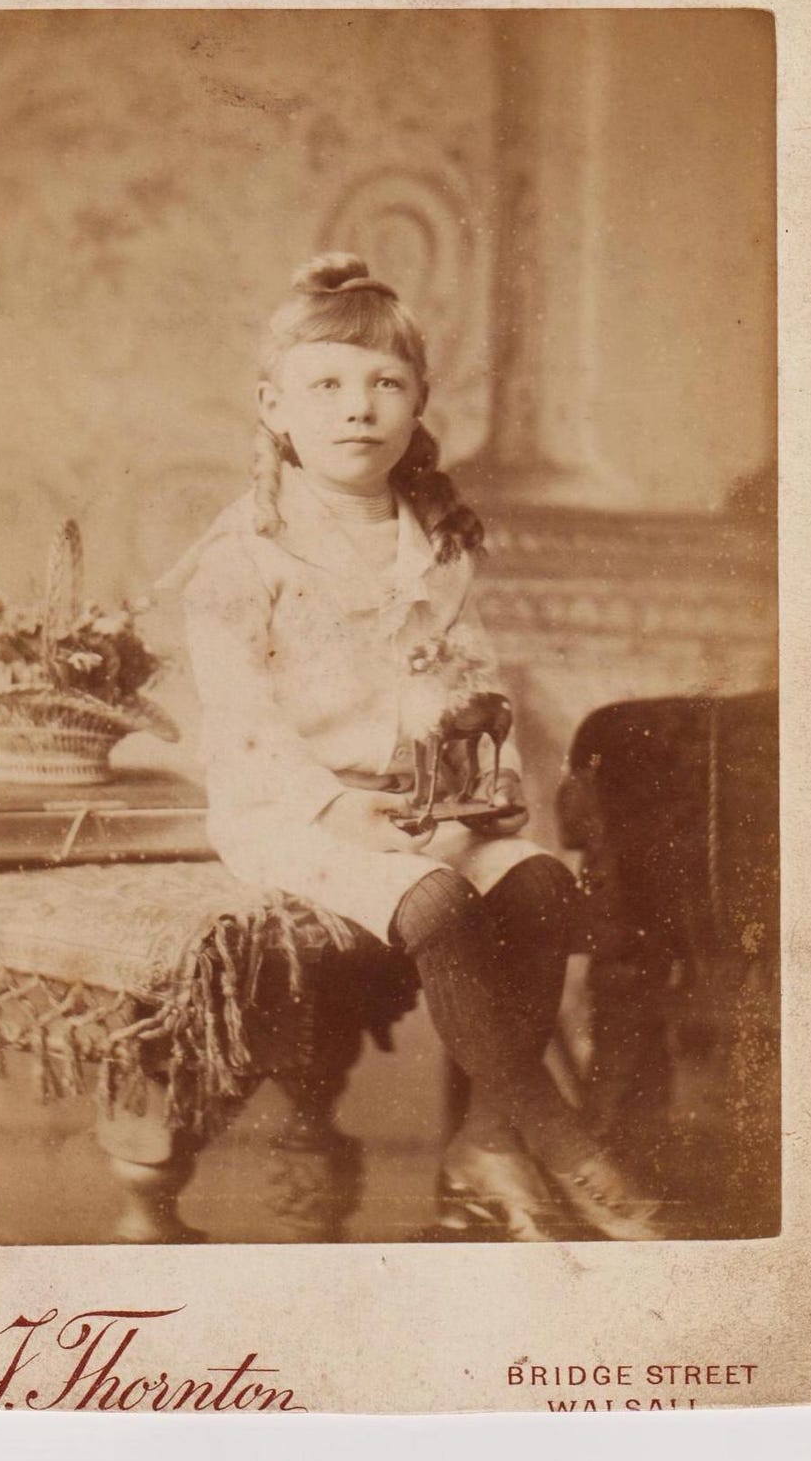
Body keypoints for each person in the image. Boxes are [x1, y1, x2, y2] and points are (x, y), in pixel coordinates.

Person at [160, 253, 666, 1241]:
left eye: (385, 384)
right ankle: (555, 1136)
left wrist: (489, 787)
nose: (359, 408)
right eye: (329, 385)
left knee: (542, 888)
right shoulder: (244, 554)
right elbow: (242, 717)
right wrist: (341, 812)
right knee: (434, 898)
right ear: (274, 406)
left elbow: (468, 679)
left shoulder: (428, 544)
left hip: (420, 803)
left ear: (419, 402)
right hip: (295, 811)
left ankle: (484, 1138)